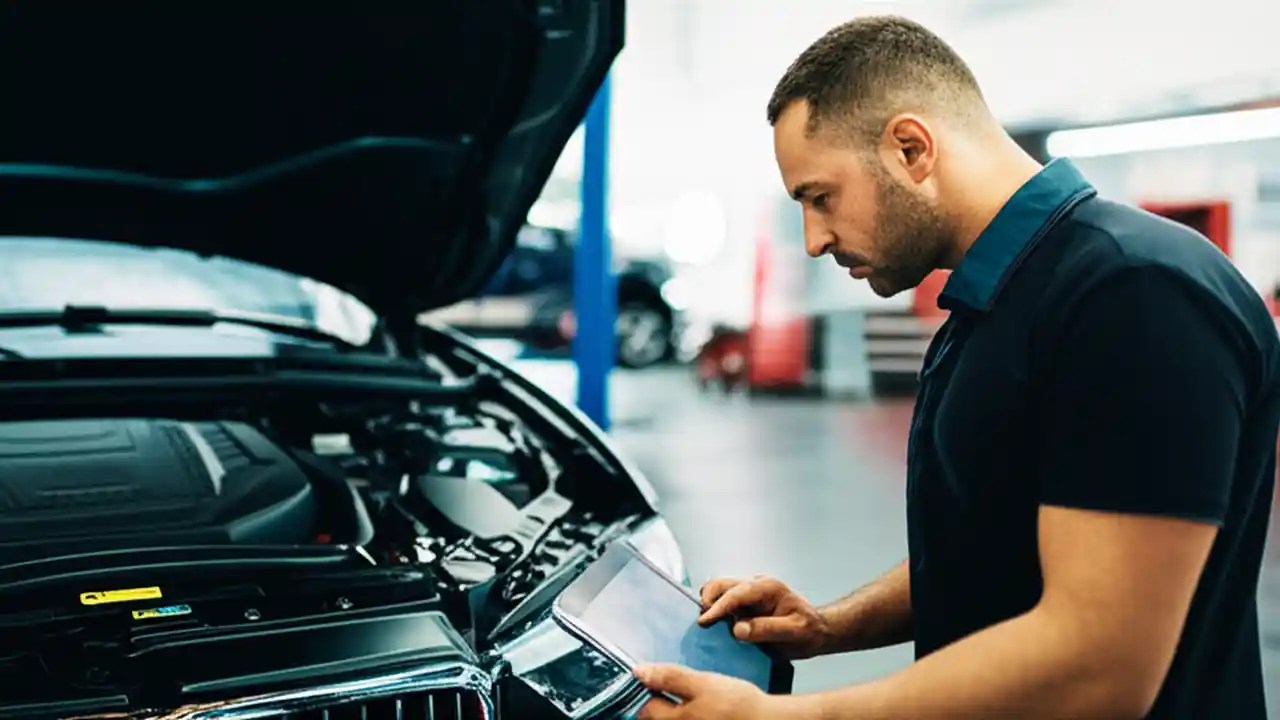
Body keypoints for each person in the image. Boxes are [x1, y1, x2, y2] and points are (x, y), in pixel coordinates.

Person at [634, 14, 1280, 720]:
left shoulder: (1132, 294)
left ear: (911, 148)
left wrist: (782, 717)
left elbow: (1100, 668)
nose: (815, 239)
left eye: (821, 198)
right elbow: (995, 547)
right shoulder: (993, 304)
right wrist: (829, 626)